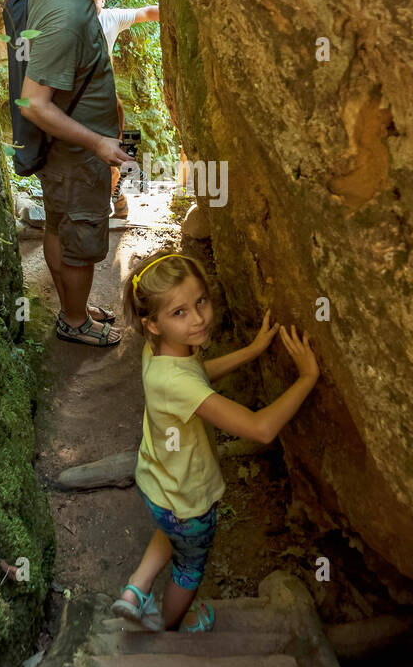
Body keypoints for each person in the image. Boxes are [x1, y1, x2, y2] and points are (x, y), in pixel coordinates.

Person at [111, 250, 320, 631]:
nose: (198, 318)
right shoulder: (179, 382)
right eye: (180, 313)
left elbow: (197, 376)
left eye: (200, 302)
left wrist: (252, 351)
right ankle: (169, 624)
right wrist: (306, 378)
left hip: (156, 481)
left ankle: (135, 589)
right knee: (189, 569)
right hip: (189, 498)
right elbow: (261, 429)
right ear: (153, 323)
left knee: (169, 526)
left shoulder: (155, 352)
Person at [18, 0, 138, 347]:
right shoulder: (66, 16)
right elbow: (33, 102)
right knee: (81, 237)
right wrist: (98, 142)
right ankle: (74, 321)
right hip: (76, 152)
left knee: (58, 224)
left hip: (63, 149)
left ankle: (75, 307)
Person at [93, 0, 159, 219]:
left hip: (103, 93)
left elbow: (146, 12)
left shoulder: (112, 17)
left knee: (110, 147)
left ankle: (117, 199)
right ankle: (113, 200)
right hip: (77, 94)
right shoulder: (70, 17)